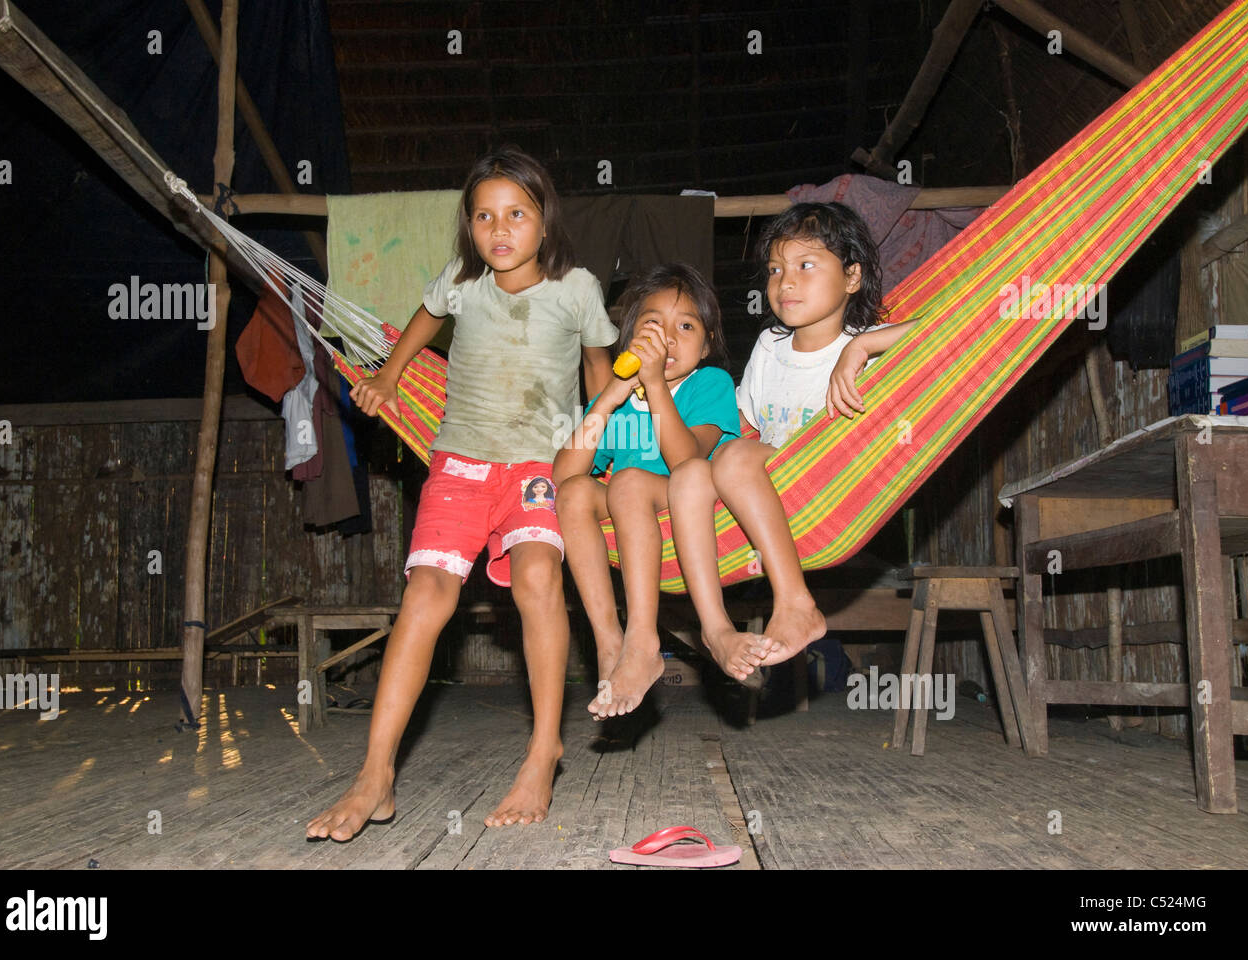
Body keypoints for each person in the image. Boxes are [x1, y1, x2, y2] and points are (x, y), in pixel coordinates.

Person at [306, 146, 617, 840]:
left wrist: (597, 450)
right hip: (460, 465)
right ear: (468, 226)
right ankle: (375, 774)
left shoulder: (577, 289)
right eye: (484, 216)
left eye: (516, 214)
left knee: (537, 578)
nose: (499, 229)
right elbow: (423, 320)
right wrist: (389, 375)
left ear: (544, 221)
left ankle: (543, 750)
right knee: (425, 594)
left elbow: (599, 372)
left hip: (540, 467)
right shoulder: (461, 281)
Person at [668, 202, 915, 682]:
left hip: (826, 492)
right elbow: (742, 421)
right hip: (763, 495)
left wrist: (861, 347)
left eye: (806, 265)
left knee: (734, 459)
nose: (785, 282)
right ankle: (715, 629)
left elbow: (948, 328)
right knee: (689, 477)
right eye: (776, 269)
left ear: (852, 277)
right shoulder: (770, 345)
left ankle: (796, 601)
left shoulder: (869, 343)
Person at [553, 264, 739, 719]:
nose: (668, 338)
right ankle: (609, 642)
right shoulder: (619, 399)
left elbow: (686, 461)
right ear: (631, 338)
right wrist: (609, 397)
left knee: (629, 480)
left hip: (693, 507)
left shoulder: (710, 384)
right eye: (653, 324)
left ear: (707, 344)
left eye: (686, 326)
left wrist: (655, 384)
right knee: (574, 494)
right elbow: (563, 474)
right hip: (629, 508)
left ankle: (643, 640)